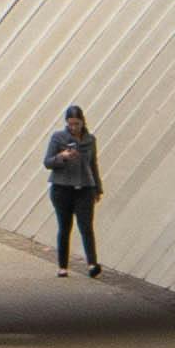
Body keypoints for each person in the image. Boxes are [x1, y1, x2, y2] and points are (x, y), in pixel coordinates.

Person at [45, 106, 105, 277]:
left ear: (82, 122)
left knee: (86, 226)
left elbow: (93, 164)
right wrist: (62, 157)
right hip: (62, 188)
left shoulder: (90, 140)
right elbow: (47, 162)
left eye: (76, 124)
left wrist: (97, 188)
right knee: (65, 227)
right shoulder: (58, 138)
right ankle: (62, 266)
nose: (73, 128)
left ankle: (92, 264)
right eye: (70, 124)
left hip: (84, 188)